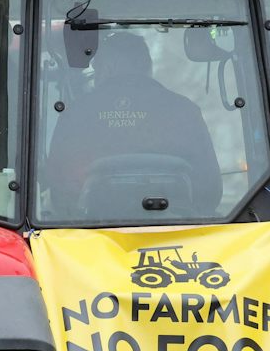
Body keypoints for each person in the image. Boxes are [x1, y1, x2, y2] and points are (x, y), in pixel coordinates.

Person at [43, 32, 220, 215]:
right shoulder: (185, 111)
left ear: (108, 67)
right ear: (147, 67)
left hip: (92, 234)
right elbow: (210, 190)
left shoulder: (76, 114)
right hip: (177, 230)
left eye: (97, 69)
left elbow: (59, 189)